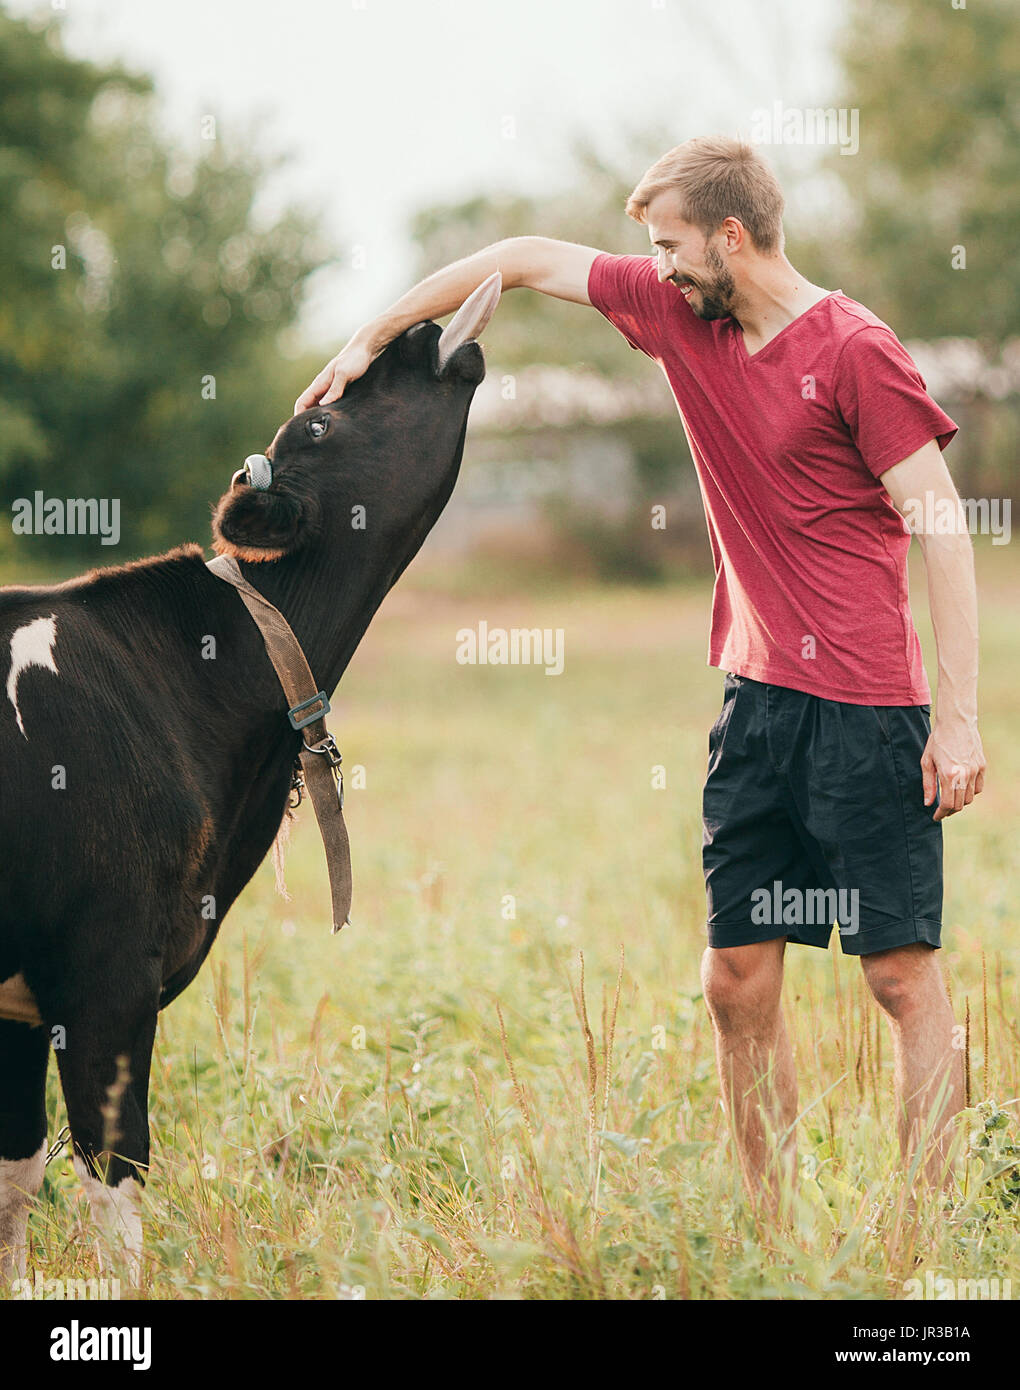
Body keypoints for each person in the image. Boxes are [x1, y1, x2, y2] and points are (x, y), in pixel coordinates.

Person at [295, 136, 985, 1216]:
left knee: (899, 977)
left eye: (668, 244)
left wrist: (961, 722)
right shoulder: (679, 314)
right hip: (755, 705)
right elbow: (520, 257)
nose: (653, 266)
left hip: (870, 710)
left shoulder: (855, 348)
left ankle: (927, 1236)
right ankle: (772, 1231)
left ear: (731, 234)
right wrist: (368, 335)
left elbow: (942, 525)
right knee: (735, 981)